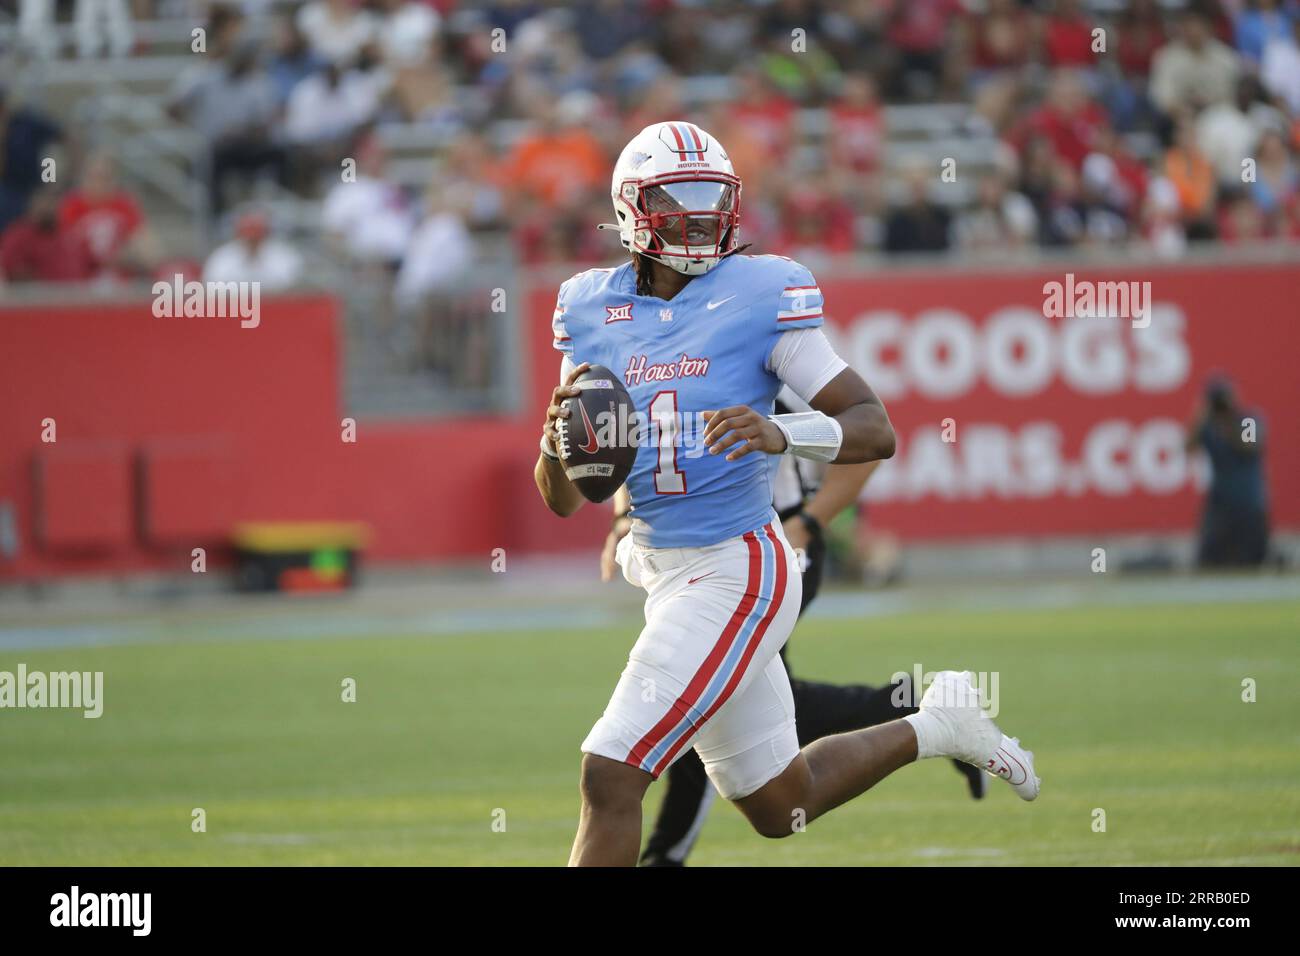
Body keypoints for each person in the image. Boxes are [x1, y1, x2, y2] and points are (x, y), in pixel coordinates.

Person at [534, 121, 1039, 867]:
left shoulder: (762, 291)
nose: (700, 217)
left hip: (738, 569)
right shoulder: (588, 308)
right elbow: (560, 498)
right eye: (679, 199)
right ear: (632, 209)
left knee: (610, 774)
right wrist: (557, 445)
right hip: (666, 573)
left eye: (713, 199)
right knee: (781, 803)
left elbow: (875, 427)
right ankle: (937, 726)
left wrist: (783, 434)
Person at [614, 388, 985, 867]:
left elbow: (867, 443)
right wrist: (623, 519)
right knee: (752, 695)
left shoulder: (763, 350)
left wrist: (808, 522)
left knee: (704, 689)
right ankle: (917, 711)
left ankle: (665, 855)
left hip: (772, 547)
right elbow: (634, 437)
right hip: (706, 556)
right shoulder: (663, 348)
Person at [1185, 377, 1271, 567]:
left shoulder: (1248, 420)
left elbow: (1250, 447)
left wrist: (1228, 423)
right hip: (1220, 503)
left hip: (1250, 502)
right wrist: (1199, 418)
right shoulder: (1208, 426)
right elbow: (1188, 449)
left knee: (1252, 561)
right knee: (1207, 561)